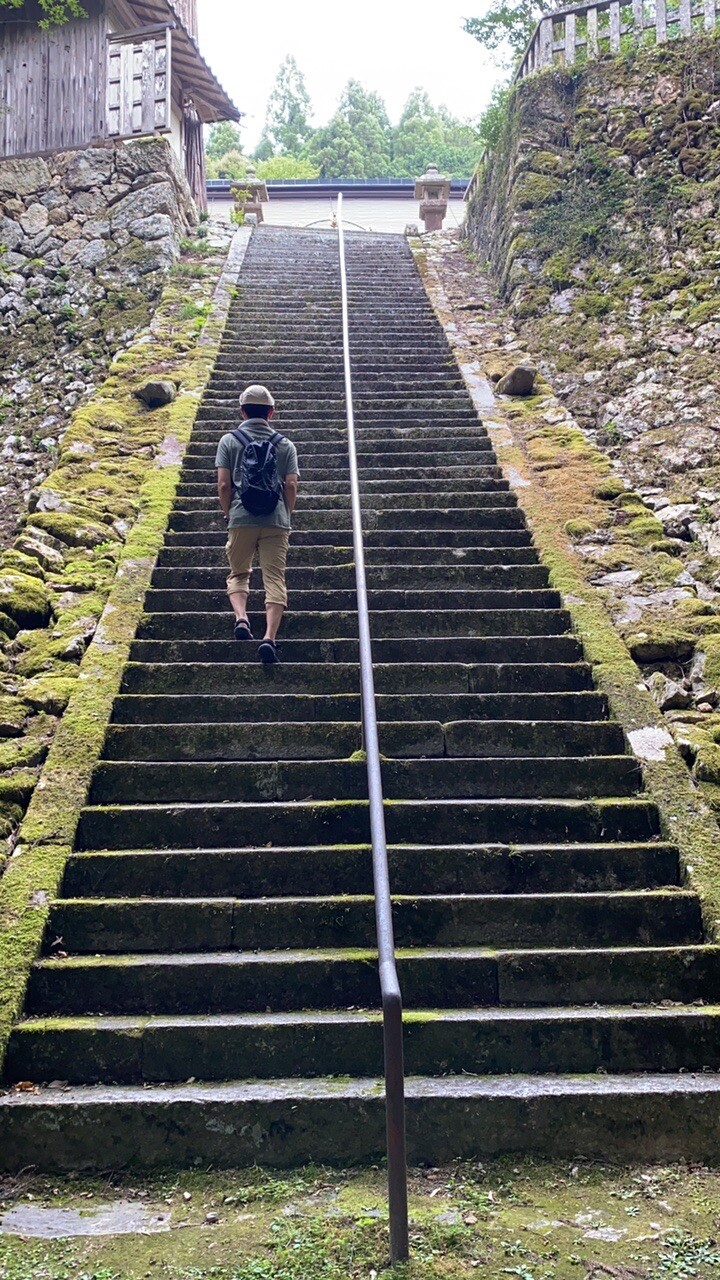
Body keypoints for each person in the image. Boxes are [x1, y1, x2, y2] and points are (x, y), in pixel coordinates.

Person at [215, 384, 299, 664]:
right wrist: (286, 513)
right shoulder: (285, 444)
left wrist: (229, 513)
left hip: (241, 517)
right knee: (274, 578)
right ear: (271, 413)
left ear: (242, 411)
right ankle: (269, 638)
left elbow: (224, 485)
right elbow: (291, 485)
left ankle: (241, 618)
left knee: (239, 573)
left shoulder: (229, 441)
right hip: (276, 520)